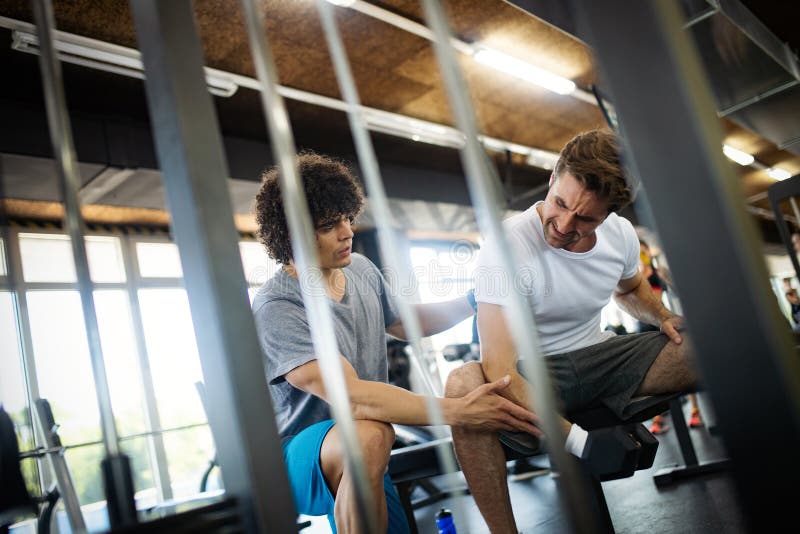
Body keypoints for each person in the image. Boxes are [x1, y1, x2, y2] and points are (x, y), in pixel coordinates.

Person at [251, 152, 538, 534]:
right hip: (294, 459)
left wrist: (478, 298)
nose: (347, 232)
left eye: (347, 218)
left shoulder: (361, 270)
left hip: (364, 441)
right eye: (329, 225)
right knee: (370, 434)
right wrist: (459, 410)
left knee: (374, 438)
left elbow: (406, 321)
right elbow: (351, 397)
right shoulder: (279, 305)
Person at [444, 130, 699, 533]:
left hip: (603, 360)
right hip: (531, 374)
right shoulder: (506, 244)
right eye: (560, 203)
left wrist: (662, 315)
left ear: (608, 215)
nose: (564, 225)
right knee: (462, 385)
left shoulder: (621, 235)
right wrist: (582, 443)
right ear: (552, 179)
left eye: (585, 218)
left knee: (704, 345)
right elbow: (497, 366)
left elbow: (629, 288)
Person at [637, 239, 703, 433]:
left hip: (662, 325)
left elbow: (657, 299)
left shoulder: (656, 275)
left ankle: (695, 411)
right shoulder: (634, 278)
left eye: (644, 252)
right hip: (644, 328)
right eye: (638, 253)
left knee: (684, 363)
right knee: (652, 374)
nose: (642, 256)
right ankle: (658, 418)